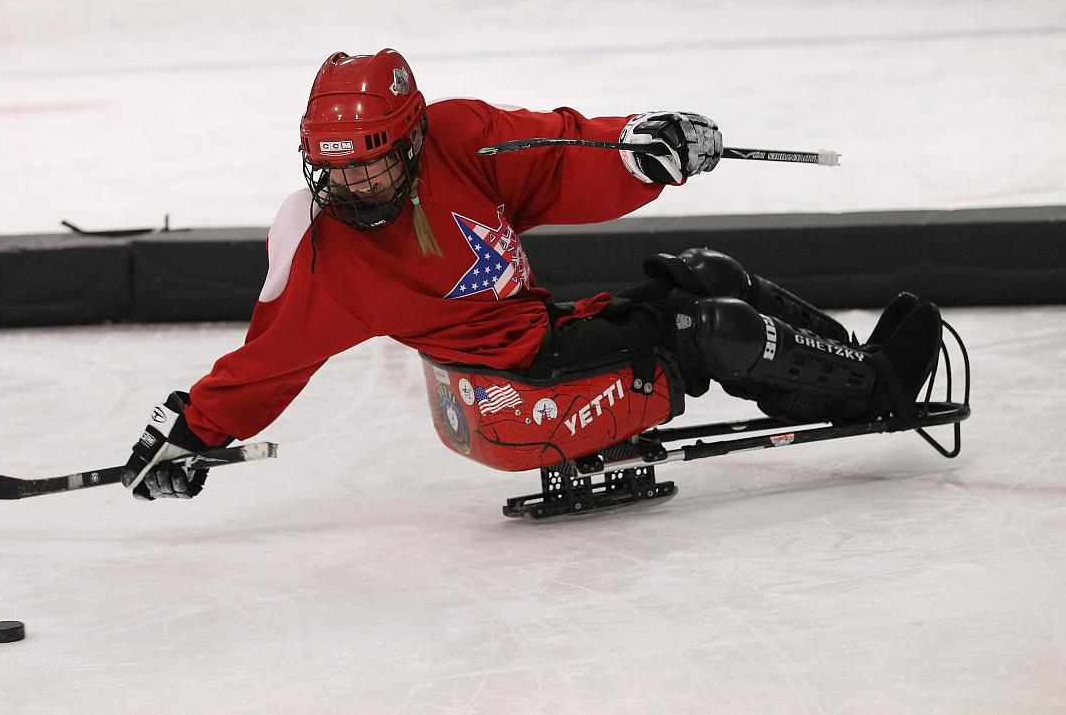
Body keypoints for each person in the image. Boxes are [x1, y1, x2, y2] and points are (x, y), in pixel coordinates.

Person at [121, 48, 942, 500]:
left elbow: (558, 155)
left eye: (370, 164)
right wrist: (193, 431)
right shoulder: (328, 257)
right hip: (518, 399)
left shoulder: (460, 139)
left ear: (412, 139)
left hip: (538, 344)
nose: (353, 186)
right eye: (335, 168)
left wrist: (642, 149)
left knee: (703, 273)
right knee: (707, 329)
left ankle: (850, 358)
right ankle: (878, 390)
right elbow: (268, 360)